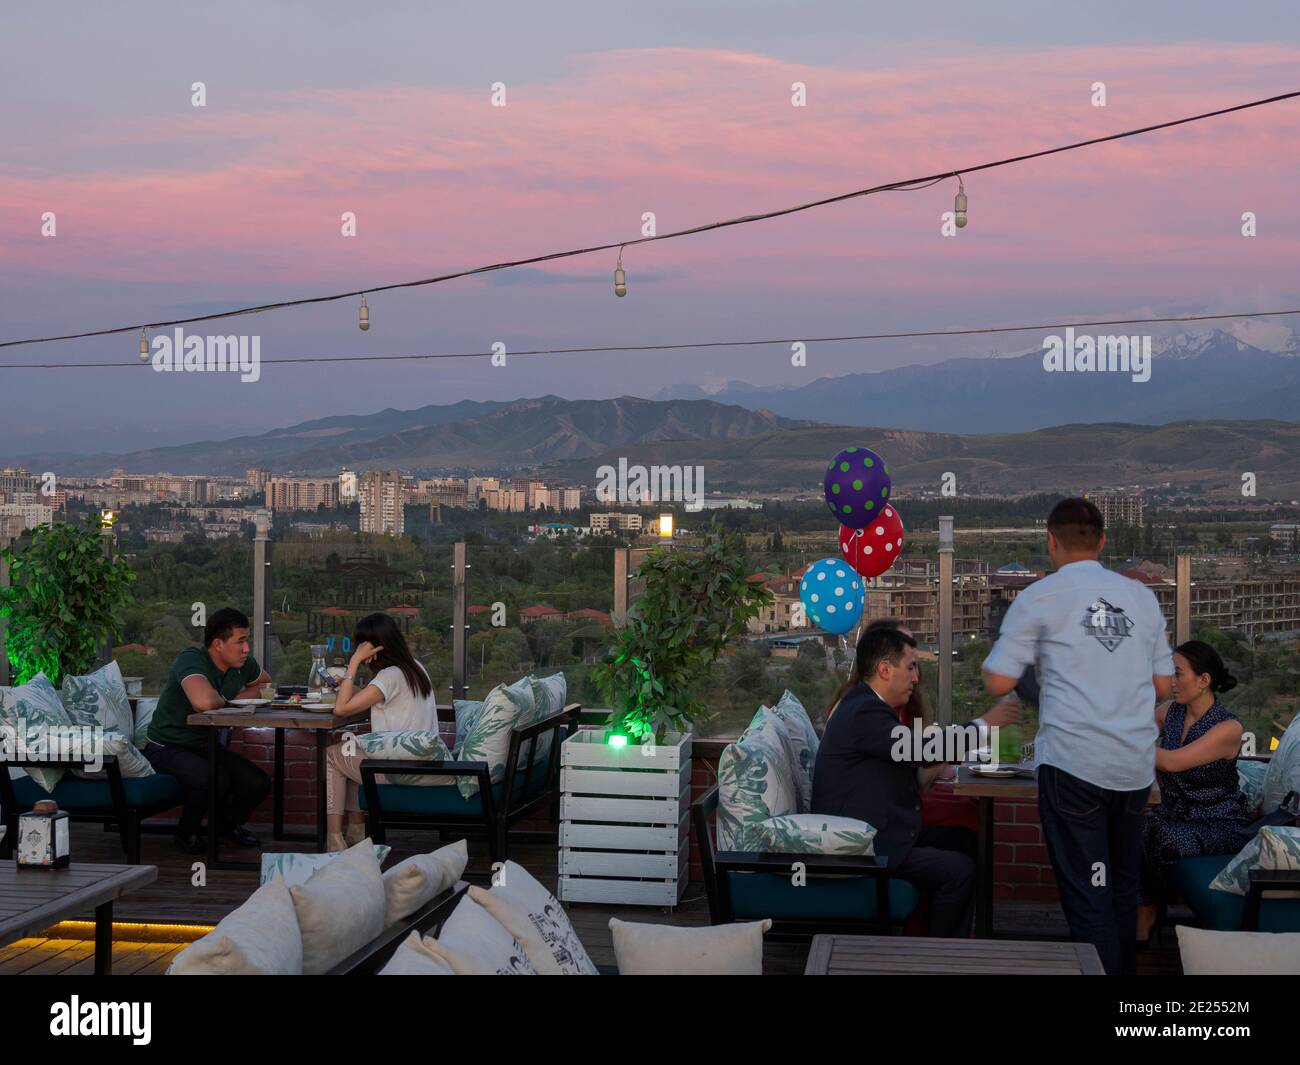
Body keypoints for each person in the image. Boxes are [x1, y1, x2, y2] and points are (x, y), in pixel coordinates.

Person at [983, 497, 1173, 975]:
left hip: (1073, 768)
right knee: (1121, 889)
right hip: (1132, 770)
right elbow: (1164, 687)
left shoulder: (1039, 597)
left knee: (1090, 894)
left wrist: (1042, 667)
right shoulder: (1141, 598)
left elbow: (998, 682)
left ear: (1051, 541)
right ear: (1103, 541)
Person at [812, 625, 1020, 937]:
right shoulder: (863, 712)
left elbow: (913, 760)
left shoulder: (868, 706)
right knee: (959, 872)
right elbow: (922, 750)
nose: (916, 678)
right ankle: (935, 956)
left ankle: (956, 943)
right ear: (884, 669)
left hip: (882, 831)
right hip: (864, 845)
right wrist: (986, 723)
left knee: (964, 839)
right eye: (910, 667)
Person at [1136, 640, 1251, 941]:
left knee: (1160, 835)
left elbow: (1174, 762)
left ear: (1203, 680)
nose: (1171, 682)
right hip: (1174, 814)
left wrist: (1128, 746)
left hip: (1217, 823)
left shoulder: (1228, 728)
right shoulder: (1171, 712)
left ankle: (1146, 910)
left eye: (1178, 674)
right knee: (1129, 826)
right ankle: (1133, 906)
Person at [144, 608, 273, 854]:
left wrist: (226, 699)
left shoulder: (241, 663)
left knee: (257, 783)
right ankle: (186, 834)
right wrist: (233, 699)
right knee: (215, 778)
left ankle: (225, 826)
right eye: (240, 642)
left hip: (205, 745)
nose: (247, 649)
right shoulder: (191, 659)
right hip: (166, 746)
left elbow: (265, 685)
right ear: (218, 644)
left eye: (247, 641)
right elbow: (203, 703)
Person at [323, 612, 437, 852]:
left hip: (396, 772)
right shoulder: (414, 667)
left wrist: (352, 663)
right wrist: (343, 684)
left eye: (362, 646)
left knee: (334, 755)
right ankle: (356, 831)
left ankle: (334, 838)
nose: (360, 650)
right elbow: (370, 693)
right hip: (419, 763)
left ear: (373, 648)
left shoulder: (389, 676)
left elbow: (341, 709)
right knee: (355, 750)